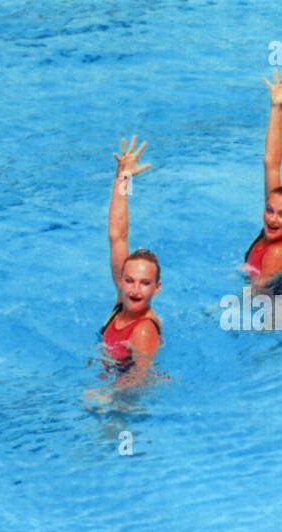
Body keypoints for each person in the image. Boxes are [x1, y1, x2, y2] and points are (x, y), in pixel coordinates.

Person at [100, 134, 162, 387]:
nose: (135, 289)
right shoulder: (121, 301)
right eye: (130, 280)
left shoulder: (143, 329)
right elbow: (117, 234)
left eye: (144, 283)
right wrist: (123, 177)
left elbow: (140, 377)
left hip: (127, 403)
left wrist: (107, 397)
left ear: (156, 288)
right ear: (121, 282)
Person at [243, 67, 282, 291]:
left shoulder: (278, 251)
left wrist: (213, 311)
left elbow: (255, 292)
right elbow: (271, 163)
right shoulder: (270, 234)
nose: (273, 219)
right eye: (270, 210)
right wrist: (276, 108)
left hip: (271, 319)